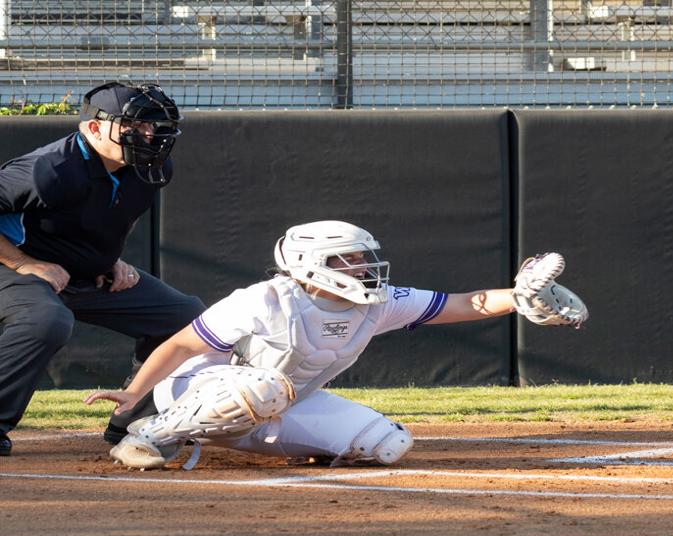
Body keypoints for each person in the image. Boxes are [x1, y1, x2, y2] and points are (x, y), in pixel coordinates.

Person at [85, 220, 587, 470]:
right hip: (198, 389)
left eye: (363, 258)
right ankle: (151, 437)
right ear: (311, 265)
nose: (364, 268)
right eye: (350, 260)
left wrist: (517, 298)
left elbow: (463, 303)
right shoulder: (266, 299)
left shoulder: (379, 302)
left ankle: (286, 442)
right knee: (263, 385)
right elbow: (180, 345)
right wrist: (135, 394)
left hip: (280, 402)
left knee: (387, 444)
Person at [0, 81, 205, 457]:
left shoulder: (150, 167)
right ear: (94, 128)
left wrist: (106, 259)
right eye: (135, 125)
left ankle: (136, 420)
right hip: (15, 268)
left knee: (186, 319)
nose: (149, 134)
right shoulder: (48, 169)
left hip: (80, 273)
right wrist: (24, 263)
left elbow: (108, 217)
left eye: (152, 124)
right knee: (46, 320)